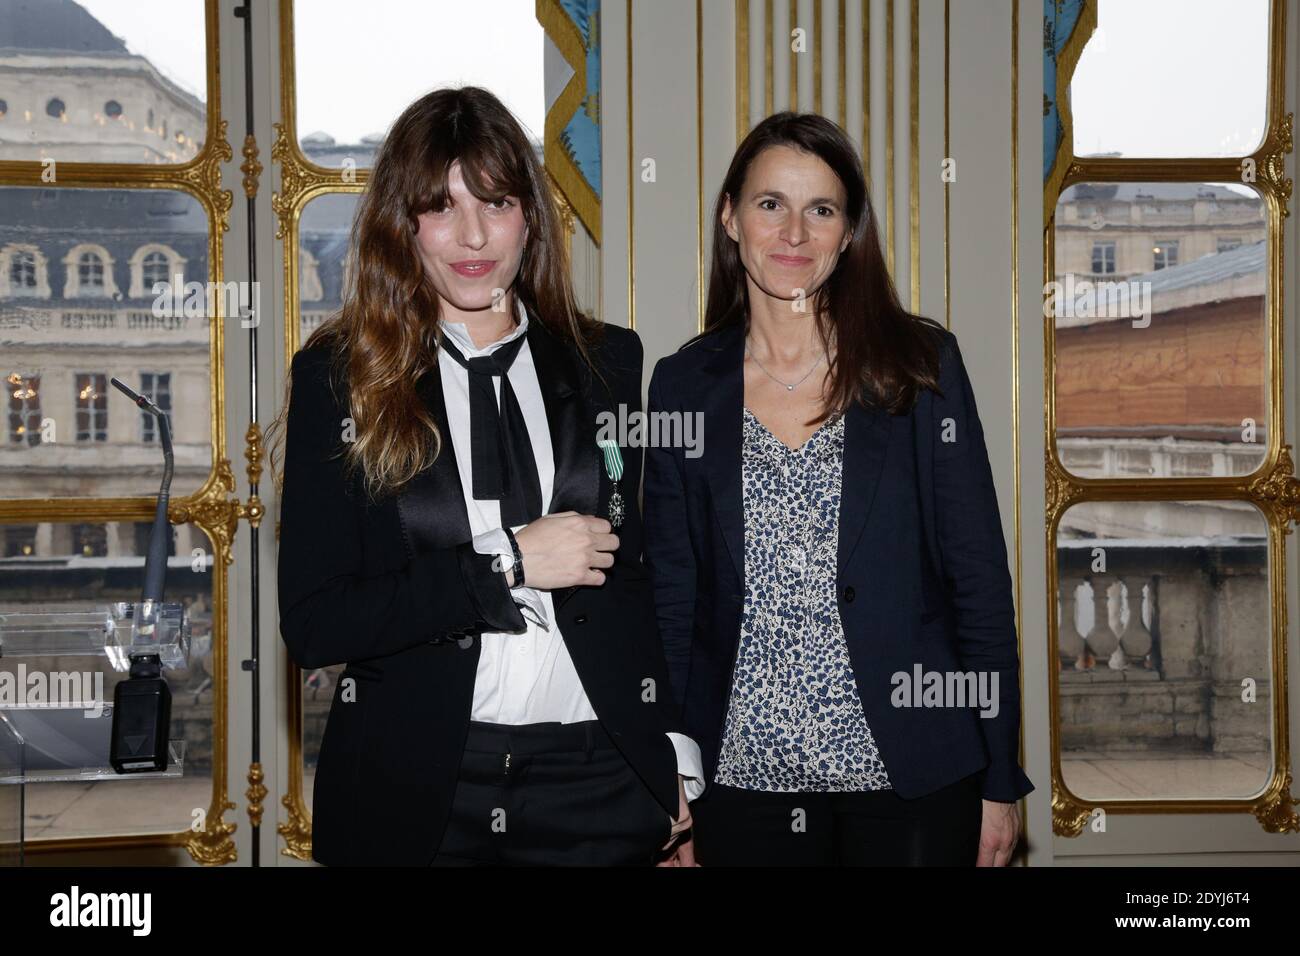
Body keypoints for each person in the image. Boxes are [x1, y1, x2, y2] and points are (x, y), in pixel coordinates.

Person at [272, 86, 701, 866]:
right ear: (403, 224)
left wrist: (667, 746)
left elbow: (637, 576)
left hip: (599, 782)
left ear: (530, 216)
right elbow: (315, 622)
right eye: (440, 206)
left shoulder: (609, 362)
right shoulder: (340, 378)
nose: (471, 235)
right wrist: (505, 563)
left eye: (496, 202)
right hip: (420, 796)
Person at [643, 111, 1034, 867]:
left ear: (849, 232)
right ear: (730, 216)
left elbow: (978, 582)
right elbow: (670, 600)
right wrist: (671, 783)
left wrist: (999, 777)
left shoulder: (921, 367)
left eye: (820, 209)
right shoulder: (682, 385)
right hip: (740, 784)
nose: (793, 233)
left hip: (914, 782)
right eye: (769, 204)